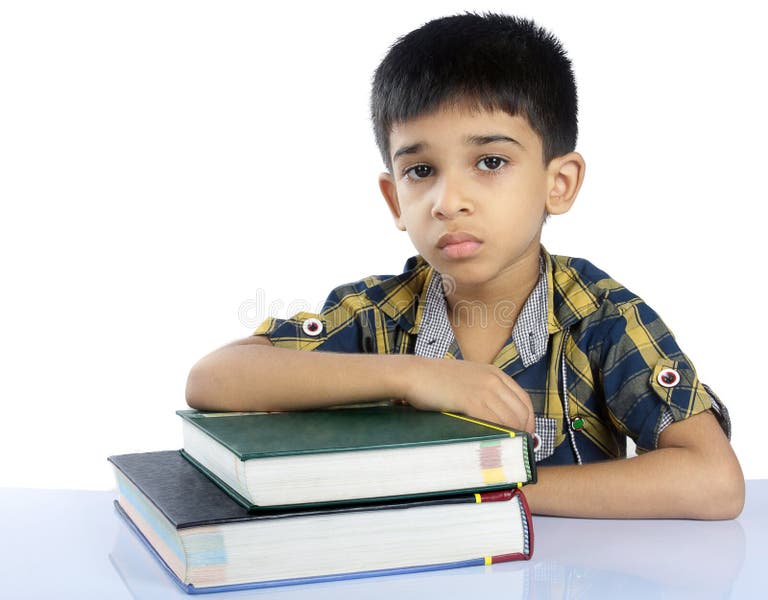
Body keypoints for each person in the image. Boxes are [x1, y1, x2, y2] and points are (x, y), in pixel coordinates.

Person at [185, 13, 744, 519]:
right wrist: (417, 376)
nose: (448, 200)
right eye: (421, 170)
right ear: (394, 200)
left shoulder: (601, 317)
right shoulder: (376, 315)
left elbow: (713, 481)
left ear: (559, 182)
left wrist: (497, 493)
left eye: (490, 161)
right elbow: (212, 380)